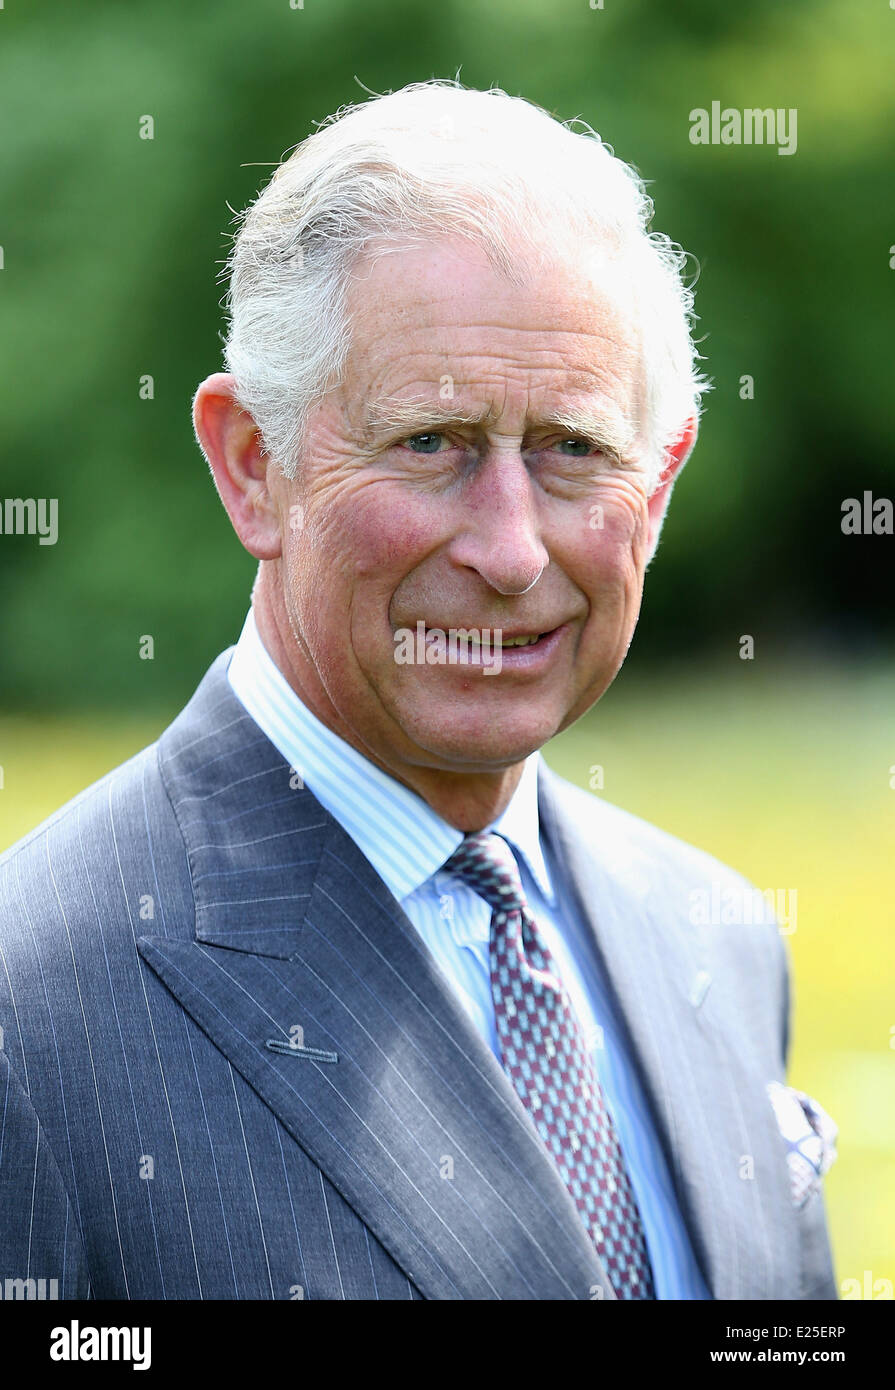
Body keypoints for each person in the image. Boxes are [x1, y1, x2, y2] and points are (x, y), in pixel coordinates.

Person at [0, 80, 837, 1301]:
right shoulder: (35, 1007)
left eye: (572, 450)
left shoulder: (714, 934)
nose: (508, 550)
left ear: (655, 487)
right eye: (430, 444)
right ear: (253, 467)